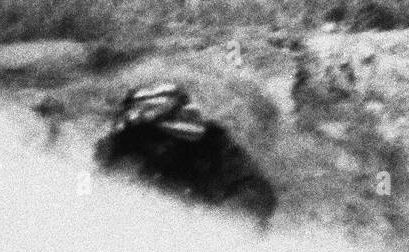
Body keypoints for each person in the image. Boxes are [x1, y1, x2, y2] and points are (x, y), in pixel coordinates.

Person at [93, 82, 276, 227]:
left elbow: (258, 194)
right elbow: (85, 184)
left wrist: (213, 223)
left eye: (167, 136)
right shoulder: (124, 142)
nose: (161, 145)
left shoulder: (214, 145)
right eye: (153, 135)